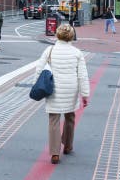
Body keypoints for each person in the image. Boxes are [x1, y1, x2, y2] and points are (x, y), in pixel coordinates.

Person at [35, 24, 89, 164]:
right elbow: (82, 76)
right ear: (71, 36)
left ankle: (54, 153)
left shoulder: (50, 50)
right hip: (71, 89)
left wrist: (38, 85)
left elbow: (39, 69)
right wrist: (85, 94)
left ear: (57, 35)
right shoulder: (77, 53)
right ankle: (68, 145)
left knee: (54, 120)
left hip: (54, 89)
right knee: (70, 117)